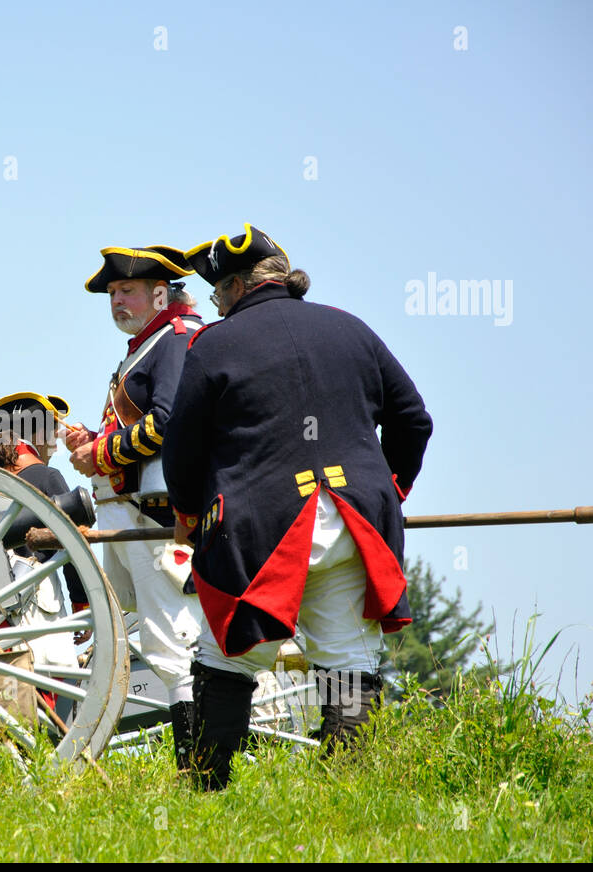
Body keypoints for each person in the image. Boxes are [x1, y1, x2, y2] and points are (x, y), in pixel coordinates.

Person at [164, 224, 433, 789]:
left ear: (236, 286)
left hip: (259, 530)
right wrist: (389, 488)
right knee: (347, 662)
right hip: (356, 524)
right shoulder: (351, 329)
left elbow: (182, 451)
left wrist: (188, 517)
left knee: (229, 658)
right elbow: (413, 420)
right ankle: (346, 794)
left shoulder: (212, 345)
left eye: (217, 293)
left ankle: (205, 790)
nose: (215, 304)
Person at [62, 246, 279, 771]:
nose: (117, 301)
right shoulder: (150, 344)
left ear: (160, 293)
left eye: (126, 291)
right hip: (129, 510)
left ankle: (197, 772)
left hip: (156, 515)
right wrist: (96, 442)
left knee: (171, 647)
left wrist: (103, 452)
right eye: (112, 294)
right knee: (149, 640)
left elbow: (168, 423)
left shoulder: (176, 341)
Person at [0, 392, 87, 672]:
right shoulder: (46, 477)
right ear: (36, 432)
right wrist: (82, 602)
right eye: (52, 428)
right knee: (51, 687)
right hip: (35, 606)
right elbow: (73, 547)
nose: (55, 441)